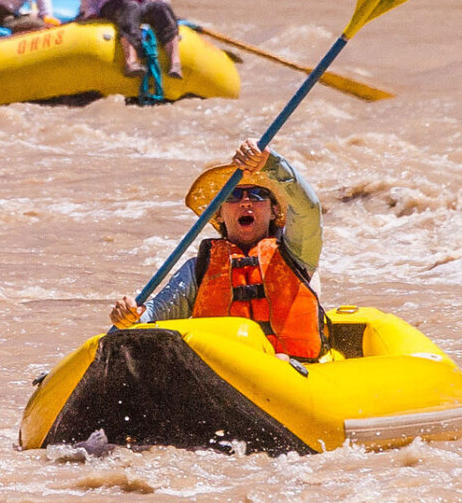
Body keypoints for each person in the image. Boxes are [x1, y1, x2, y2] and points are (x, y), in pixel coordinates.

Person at [110, 140, 325, 361]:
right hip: (224, 370)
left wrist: (271, 163)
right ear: (219, 214)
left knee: (280, 359)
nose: (245, 202)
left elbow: (308, 208)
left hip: (291, 367)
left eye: (258, 194)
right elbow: (155, 316)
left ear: (274, 211)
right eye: (233, 195)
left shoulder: (297, 253)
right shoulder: (198, 269)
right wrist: (131, 316)